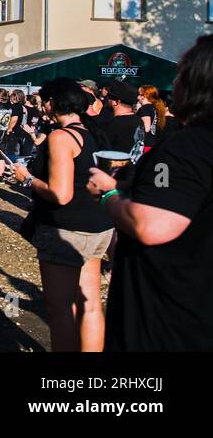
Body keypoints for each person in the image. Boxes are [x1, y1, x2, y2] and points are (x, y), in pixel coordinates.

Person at [86, 36, 213, 350]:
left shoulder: (185, 147)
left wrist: (108, 195)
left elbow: (151, 224)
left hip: (169, 321)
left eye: (181, 75)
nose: (173, 83)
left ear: (197, 84)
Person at [9, 78, 112, 352]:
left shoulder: (60, 137)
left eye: (44, 101)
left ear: (53, 102)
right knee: (89, 304)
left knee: (61, 308)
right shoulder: (91, 132)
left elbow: (61, 193)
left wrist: (26, 178)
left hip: (67, 229)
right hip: (98, 226)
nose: (42, 106)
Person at [93, 79, 140, 155]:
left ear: (116, 102)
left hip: (117, 165)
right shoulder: (139, 120)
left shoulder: (113, 124)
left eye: (109, 98)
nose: (107, 100)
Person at [135, 84, 167, 153]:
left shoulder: (145, 108)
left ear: (144, 96)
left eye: (139, 94)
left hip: (145, 145)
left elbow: (146, 128)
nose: (137, 97)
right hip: (152, 143)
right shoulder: (153, 108)